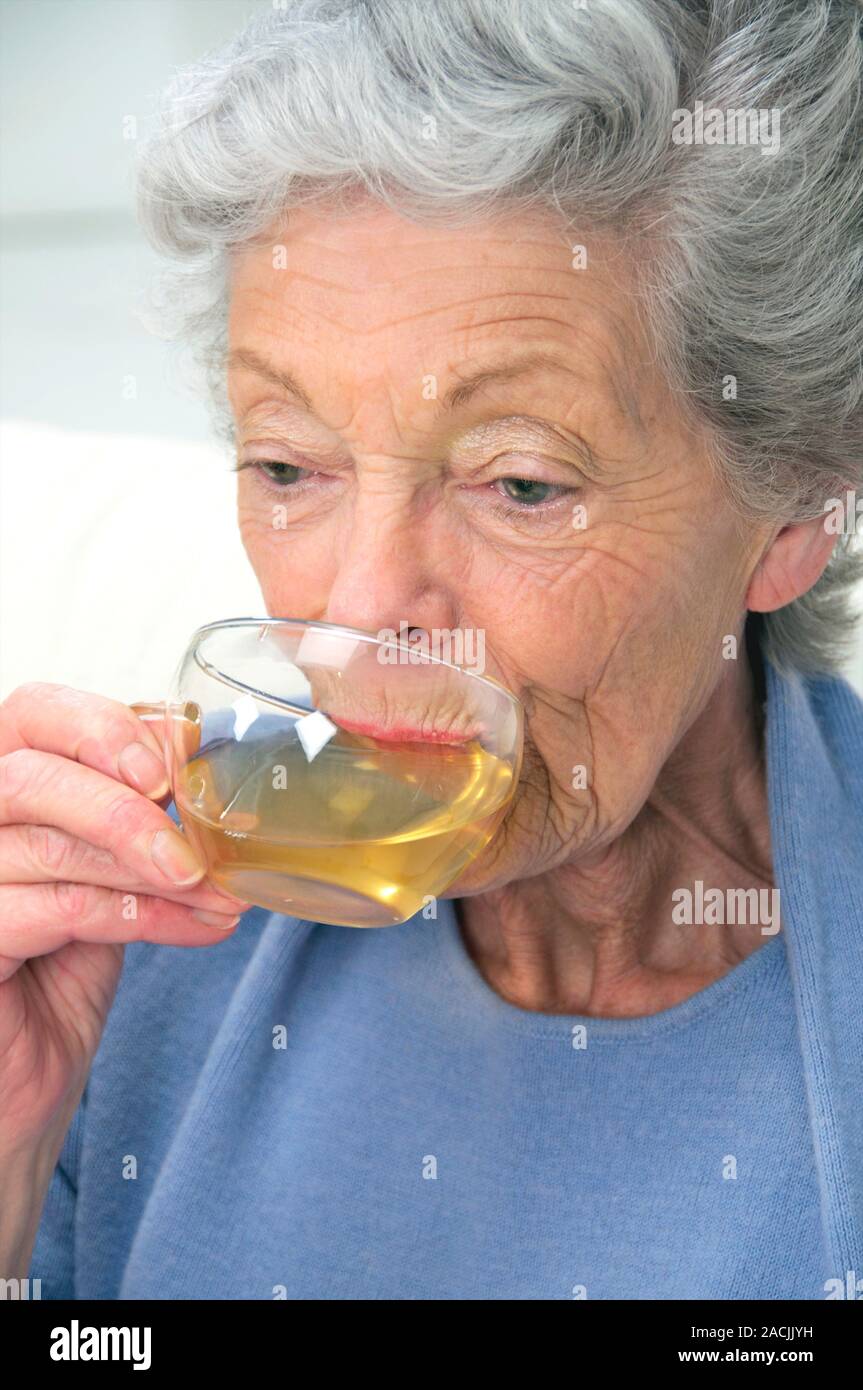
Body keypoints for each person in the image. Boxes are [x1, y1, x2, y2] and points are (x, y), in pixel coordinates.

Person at [2, 0, 861, 1299]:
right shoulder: (123, 941)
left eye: (519, 484)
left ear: (797, 504)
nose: (353, 615)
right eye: (289, 464)